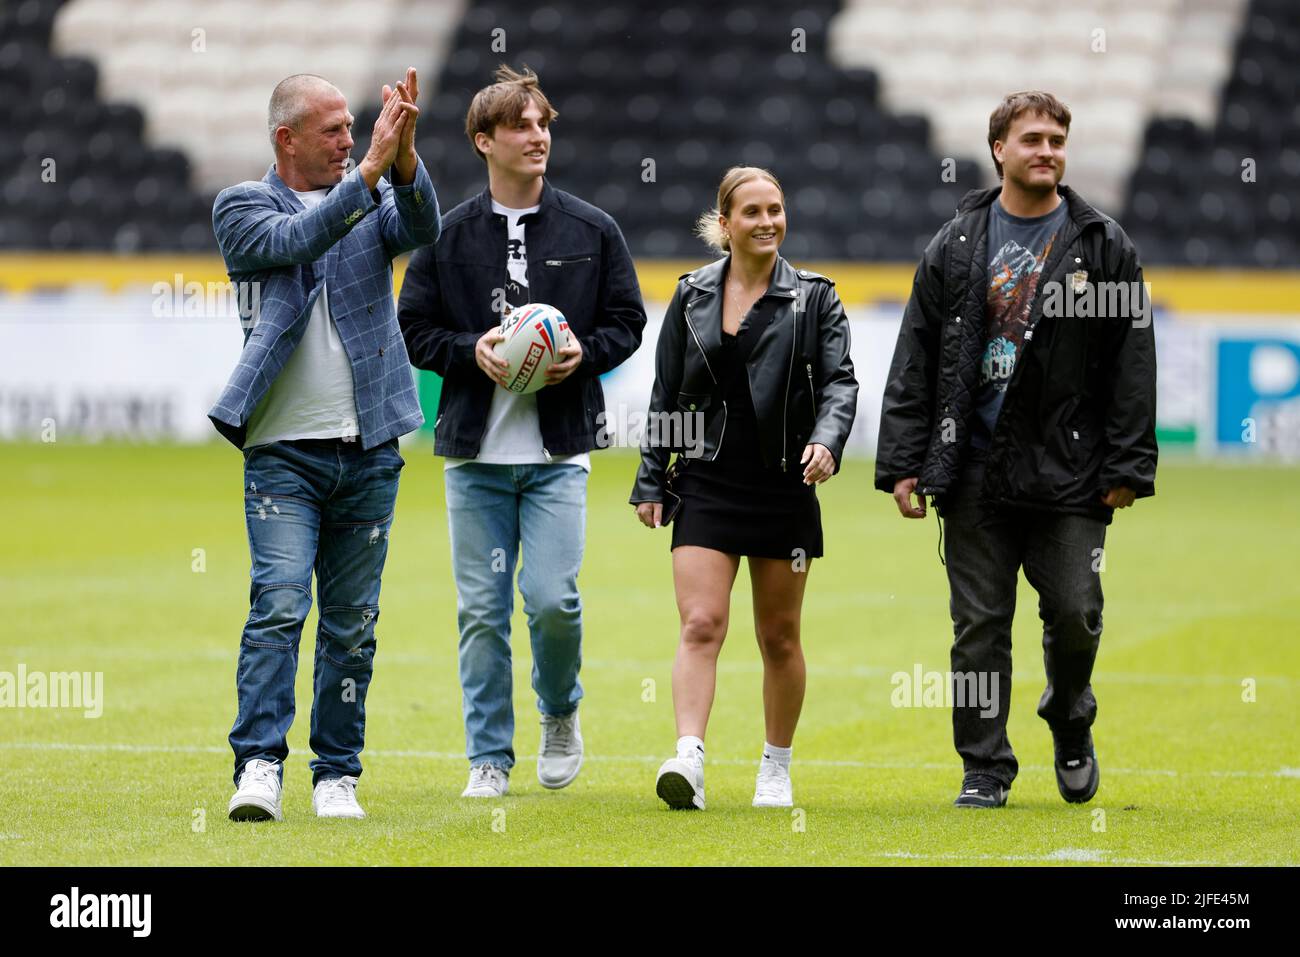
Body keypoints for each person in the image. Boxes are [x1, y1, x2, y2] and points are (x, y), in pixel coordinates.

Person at [875, 91, 1157, 809]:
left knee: (1074, 610)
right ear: (999, 148)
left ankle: (1069, 716)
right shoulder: (958, 242)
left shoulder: (1102, 244)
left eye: (1058, 140)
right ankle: (985, 766)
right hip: (974, 467)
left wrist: (1128, 465)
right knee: (977, 627)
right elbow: (918, 355)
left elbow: (1132, 361)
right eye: (1032, 138)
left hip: (1073, 469)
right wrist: (903, 460)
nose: (1048, 151)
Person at [397, 65, 646, 799]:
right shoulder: (445, 236)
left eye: (543, 124)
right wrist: (469, 353)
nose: (537, 136)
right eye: (520, 126)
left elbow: (626, 321)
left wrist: (582, 356)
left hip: (555, 454)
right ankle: (489, 757)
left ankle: (561, 712)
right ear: (485, 141)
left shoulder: (593, 230)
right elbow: (415, 328)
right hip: (474, 456)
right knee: (480, 611)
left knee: (550, 600)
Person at [210, 69, 440, 822]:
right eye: (335, 129)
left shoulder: (371, 193)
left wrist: (402, 159)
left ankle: (336, 773)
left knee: (353, 622)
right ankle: (258, 766)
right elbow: (301, 238)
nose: (350, 139)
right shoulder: (244, 207)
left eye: (354, 126)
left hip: (370, 447)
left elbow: (422, 226)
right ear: (287, 139)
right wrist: (372, 171)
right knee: (278, 605)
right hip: (282, 449)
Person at [629, 166, 858, 810]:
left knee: (778, 636)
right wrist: (652, 476)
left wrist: (827, 440)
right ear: (724, 225)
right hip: (703, 482)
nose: (768, 222)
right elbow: (666, 391)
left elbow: (841, 382)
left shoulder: (815, 297)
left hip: (784, 485)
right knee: (701, 622)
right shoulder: (689, 294)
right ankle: (689, 759)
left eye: (776, 210)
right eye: (752, 212)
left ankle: (775, 767)